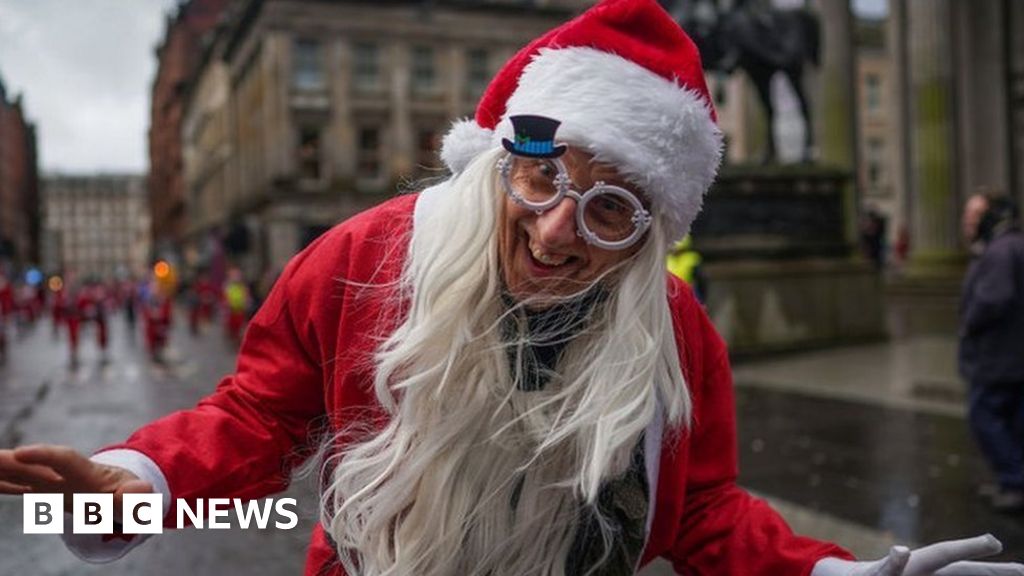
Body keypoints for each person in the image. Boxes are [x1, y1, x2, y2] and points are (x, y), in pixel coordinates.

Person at [0, 1, 1020, 575]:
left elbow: (700, 513)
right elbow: (259, 419)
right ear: (501, 154)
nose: (554, 228)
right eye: (543, 174)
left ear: (648, 235)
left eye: (611, 212)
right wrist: (137, 484)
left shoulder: (674, 331)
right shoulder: (364, 260)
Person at [959, 191, 1024, 513]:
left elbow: (993, 299)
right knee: (1012, 420)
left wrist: (969, 324)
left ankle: (1013, 482)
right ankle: (1012, 480)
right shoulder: (1011, 245)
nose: (968, 224)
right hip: (1011, 356)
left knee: (985, 416)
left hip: (998, 357)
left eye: (974, 216)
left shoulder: (999, 251)